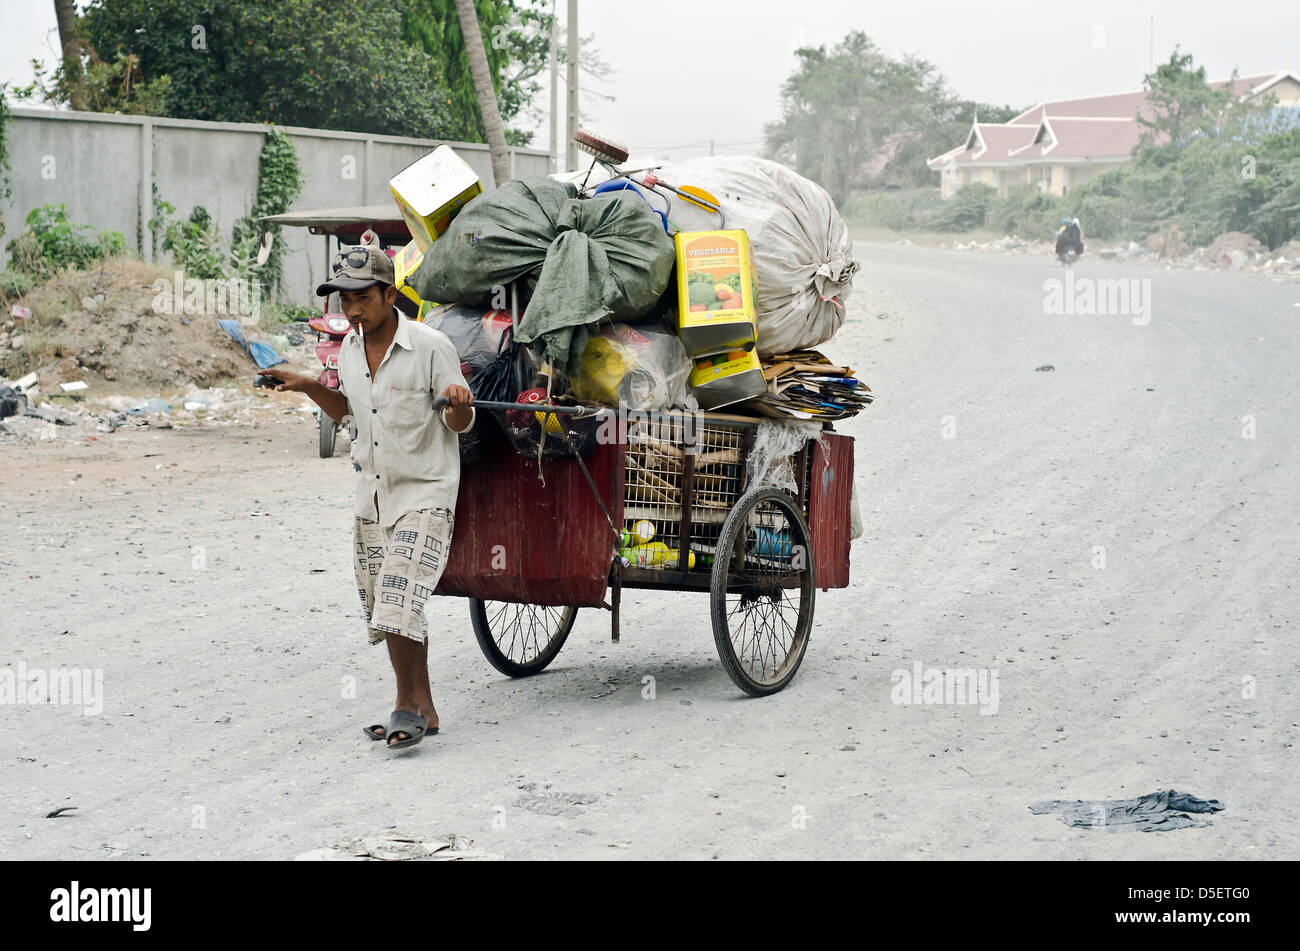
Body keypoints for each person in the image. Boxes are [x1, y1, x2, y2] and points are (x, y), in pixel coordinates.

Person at [259, 231, 475, 750]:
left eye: (362, 297)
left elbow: (461, 422)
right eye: (345, 299)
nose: (353, 309)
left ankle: (405, 707)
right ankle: (425, 707)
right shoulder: (349, 351)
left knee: (399, 599)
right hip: (373, 495)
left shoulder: (430, 346)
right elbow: (351, 414)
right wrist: (311, 386)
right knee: (388, 603)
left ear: (390, 295)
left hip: (426, 491)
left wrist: (459, 402)